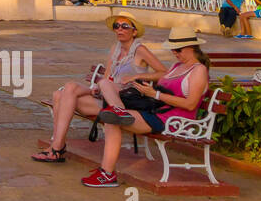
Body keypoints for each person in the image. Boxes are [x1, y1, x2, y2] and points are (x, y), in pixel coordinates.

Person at [81, 26, 211, 188]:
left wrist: (155, 95)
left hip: (172, 120)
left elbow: (190, 104)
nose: (175, 54)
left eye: (178, 50)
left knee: (113, 119)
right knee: (106, 85)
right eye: (173, 50)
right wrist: (139, 79)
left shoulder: (198, 70)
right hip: (155, 110)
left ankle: (107, 173)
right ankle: (118, 112)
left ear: (191, 48)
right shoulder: (177, 67)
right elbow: (159, 80)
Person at [31, 13, 166, 163]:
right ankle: (57, 146)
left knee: (61, 96)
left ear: (134, 31)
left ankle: (57, 149)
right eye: (117, 26)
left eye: (125, 26)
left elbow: (163, 73)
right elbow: (108, 75)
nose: (119, 29)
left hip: (123, 102)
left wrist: (136, 78)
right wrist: (97, 86)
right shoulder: (115, 49)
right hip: (105, 95)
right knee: (61, 92)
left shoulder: (140, 50)